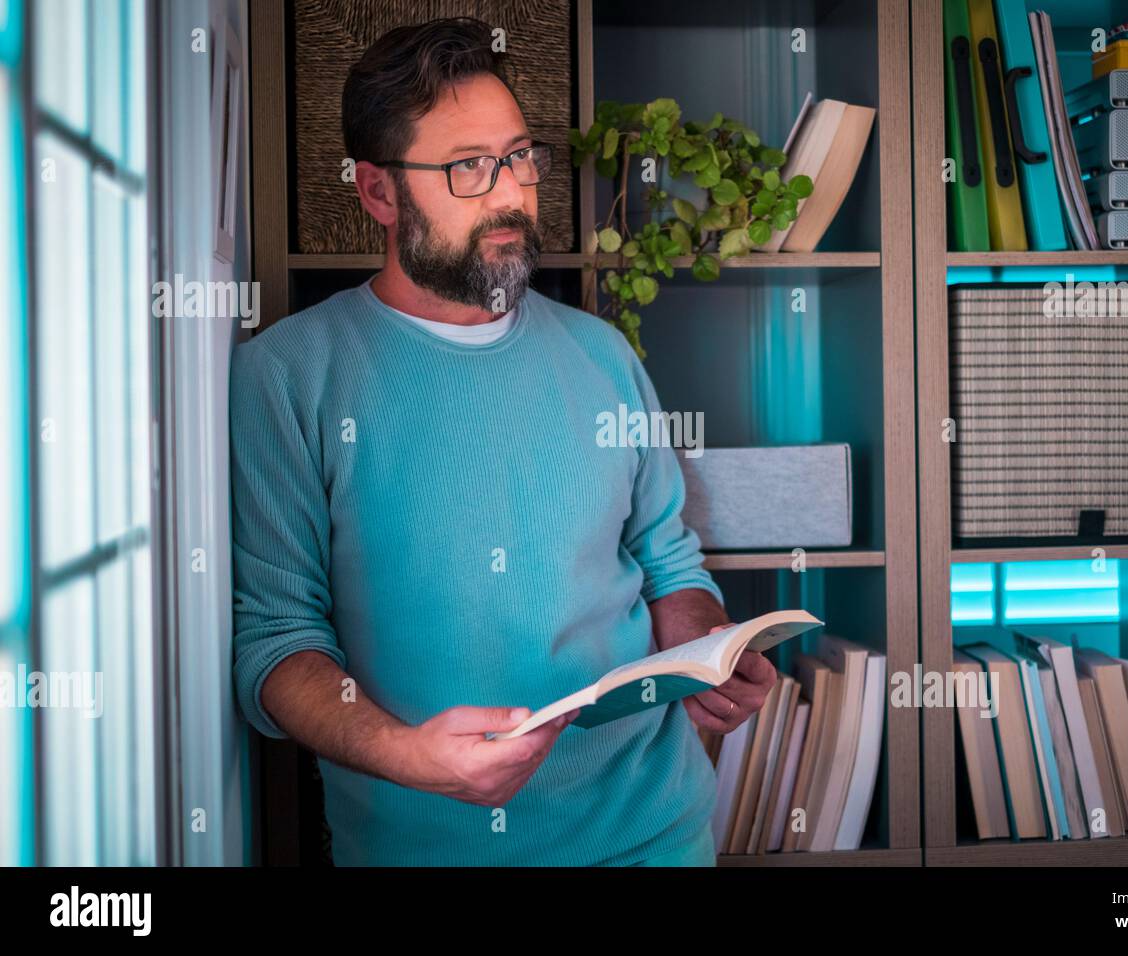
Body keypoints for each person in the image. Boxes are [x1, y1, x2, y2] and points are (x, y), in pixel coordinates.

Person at [229, 16, 777, 866]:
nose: (510, 193)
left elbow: (670, 564)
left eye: (519, 157)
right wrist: (410, 757)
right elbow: (275, 640)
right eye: (467, 168)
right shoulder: (285, 377)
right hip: (423, 848)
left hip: (656, 834)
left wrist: (707, 651)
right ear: (378, 194)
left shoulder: (603, 354)